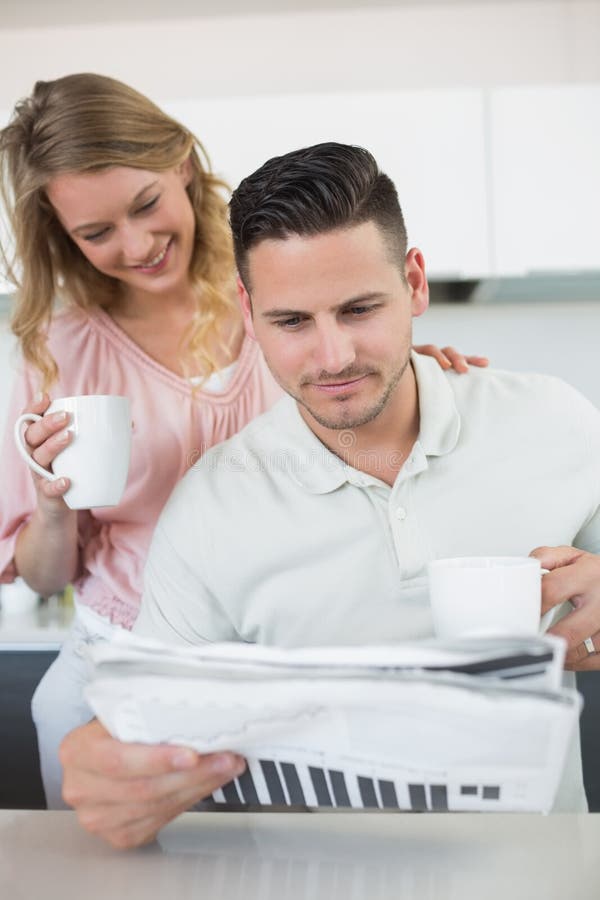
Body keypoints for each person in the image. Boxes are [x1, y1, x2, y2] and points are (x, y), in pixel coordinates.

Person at [60, 142, 600, 849]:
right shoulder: (210, 511)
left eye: (359, 309)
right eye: (292, 322)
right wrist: (112, 773)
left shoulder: (553, 420)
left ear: (414, 283)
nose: (334, 356)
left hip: (543, 879)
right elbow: (154, 727)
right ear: (250, 313)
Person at [0, 76, 483, 809]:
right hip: (126, 662)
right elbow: (42, 577)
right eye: (96, 233)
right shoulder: (57, 353)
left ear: (183, 166)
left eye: (145, 205)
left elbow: (363, 390)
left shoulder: (287, 295)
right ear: (61, 236)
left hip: (286, 659)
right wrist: (51, 500)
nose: (136, 245)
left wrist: (414, 372)